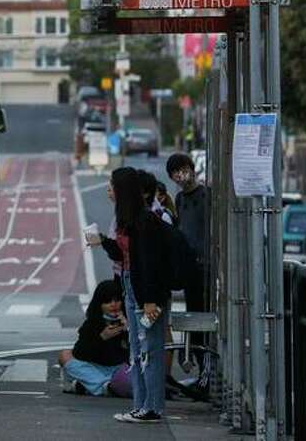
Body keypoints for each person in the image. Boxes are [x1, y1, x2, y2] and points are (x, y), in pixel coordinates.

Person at [98, 166, 172, 424]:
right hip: (131, 285)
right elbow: (125, 257)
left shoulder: (145, 220)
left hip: (145, 291)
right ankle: (141, 405)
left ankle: (151, 407)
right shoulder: (129, 219)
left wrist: (150, 299)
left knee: (149, 349)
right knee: (137, 348)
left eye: (112, 184)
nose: (109, 188)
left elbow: (150, 264)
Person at [168, 152, 210, 358]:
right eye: (175, 173)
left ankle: (204, 360)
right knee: (192, 310)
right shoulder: (179, 198)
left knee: (204, 313)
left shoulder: (206, 195)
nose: (181, 176)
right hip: (188, 265)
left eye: (184, 170)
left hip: (206, 265)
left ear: (192, 170)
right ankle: (193, 355)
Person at [59, 279, 132, 396]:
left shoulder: (129, 321)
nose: (113, 305)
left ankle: (84, 386)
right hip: (94, 369)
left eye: (117, 300)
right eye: (108, 302)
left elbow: (137, 353)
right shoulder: (92, 322)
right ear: (100, 304)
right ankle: (104, 387)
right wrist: (102, 338)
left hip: (119, 369)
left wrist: (128, 330)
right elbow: (79, 353)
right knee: (65, 355)